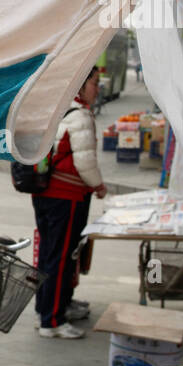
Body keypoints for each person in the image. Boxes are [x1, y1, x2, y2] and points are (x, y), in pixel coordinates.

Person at [33, 66, 107, 339]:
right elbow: (85, 162)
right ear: (80, 85)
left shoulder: (60, 106)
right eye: (94, 83)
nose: (97, 89)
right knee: (61, 257)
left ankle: (49, 307)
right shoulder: (81, 114)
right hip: (66, 197)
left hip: (45, 194)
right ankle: (52, 321)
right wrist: (98, 186)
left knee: (49, 254)